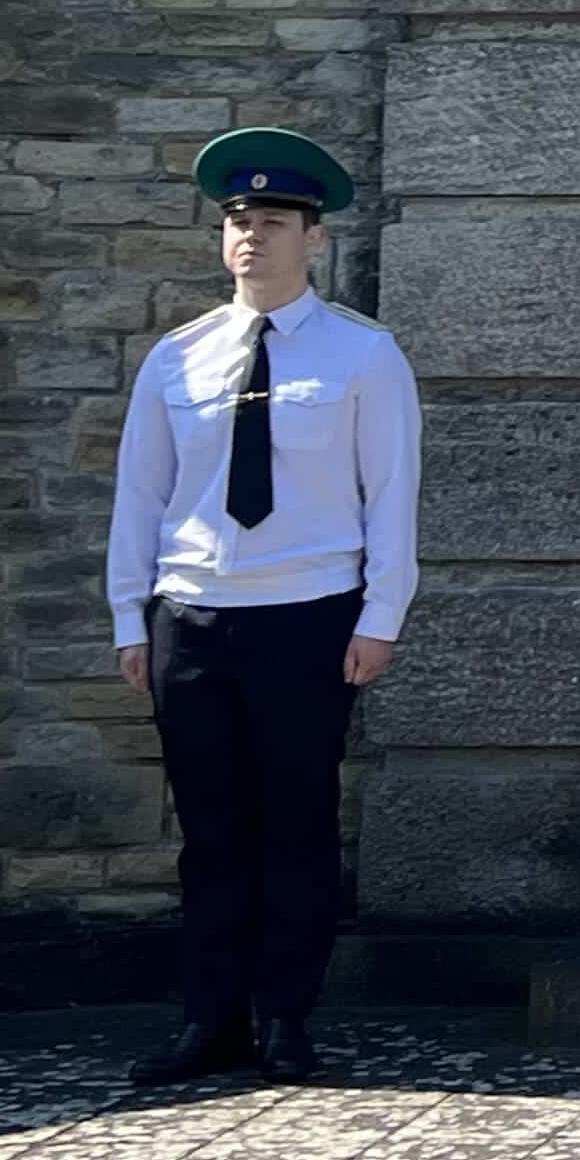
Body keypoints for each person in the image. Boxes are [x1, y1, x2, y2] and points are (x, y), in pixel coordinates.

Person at [107, 128, 419, 1087]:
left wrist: (382, 618)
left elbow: (391, 494)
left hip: (309, 614)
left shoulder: (363, 355)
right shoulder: (179, 359)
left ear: (313, 238)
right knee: (209, 830)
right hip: (192, 616)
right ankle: (211, 1019)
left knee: (294, 822)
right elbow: (141, 496)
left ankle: (286, 1015)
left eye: (272, 222)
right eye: (238, 221)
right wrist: (131, 620)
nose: (252, 237)